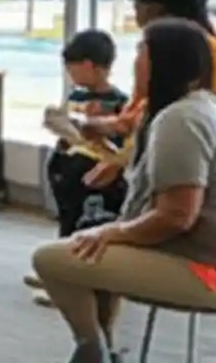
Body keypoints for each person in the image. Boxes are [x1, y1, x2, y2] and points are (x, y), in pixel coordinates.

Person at [33, 18, 216, 363]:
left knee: (51, 260)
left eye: (141, 51)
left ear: (162, 62)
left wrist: (115, 231)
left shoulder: (182, 119)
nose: (134, 62)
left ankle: (92, 348)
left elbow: (176, 217)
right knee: (90, 240)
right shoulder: (208, 109)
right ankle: (102, 347)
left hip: (209, 269)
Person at [82, 0, 216, 189]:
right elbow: (145, 104)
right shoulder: (175, 42)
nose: (134, 7)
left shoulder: (197, 48)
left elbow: (170, 110)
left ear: (156, 6)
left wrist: (120, 150)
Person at [26, 31, 130, 306]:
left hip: (94, 170)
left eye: (73, 69)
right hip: (68, 165)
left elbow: (122, 143)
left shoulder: (120, 103)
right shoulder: (77, 96)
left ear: (89, 66)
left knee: (81, 223)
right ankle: (58, 270)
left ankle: (68, 279)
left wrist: (100, 128)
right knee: (66, 219)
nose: (71, 76)